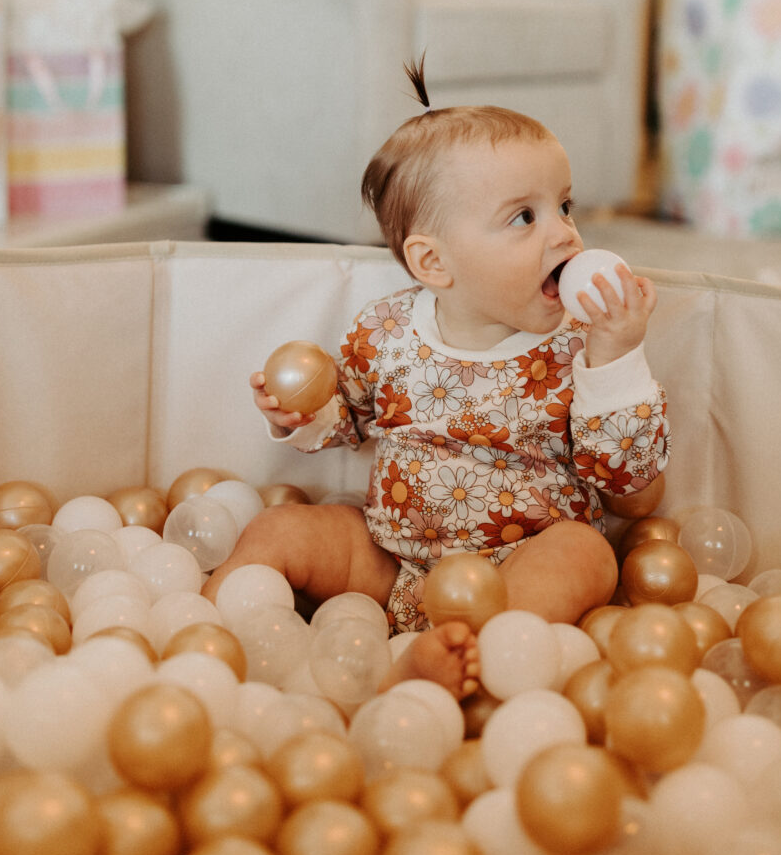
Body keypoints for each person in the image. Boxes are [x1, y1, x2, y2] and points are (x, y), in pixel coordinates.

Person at [205, 60, 669, 698]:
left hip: (516, 566)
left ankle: (466, 650)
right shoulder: (387, 331)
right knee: (282, 530)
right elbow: (352, 418)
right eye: (523, 218)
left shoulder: (577, 343)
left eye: (564, 205)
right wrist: (299, 412)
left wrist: (617, 355)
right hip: (391, 559)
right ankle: (202, 635)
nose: (565, 232)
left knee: (584, 554)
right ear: (433, 262)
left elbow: (629, 484)